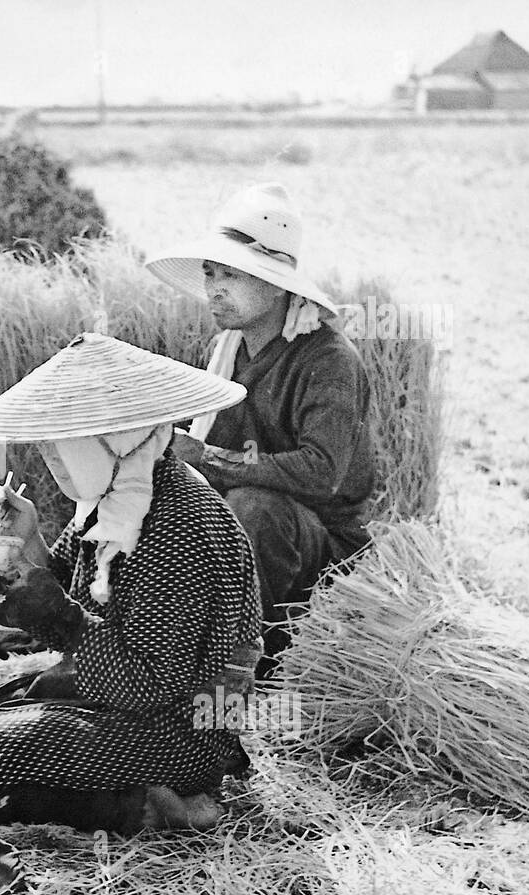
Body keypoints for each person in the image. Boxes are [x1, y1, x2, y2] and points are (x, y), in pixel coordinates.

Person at [0, 333, 262, 833]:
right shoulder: (119, 495)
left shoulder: (180, 527)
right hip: (106, 693)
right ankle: (125, 793)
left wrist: (52, 615)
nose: (52, 461)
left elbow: (149, 686)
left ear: (120, 439)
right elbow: (72, 589)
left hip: (183, 726)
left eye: (63, 447)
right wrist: (29, 540)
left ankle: (160, 802)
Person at [144, 183, 376, 671]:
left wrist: (207, 458)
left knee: (253, 507)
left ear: (274, 285)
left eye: (232, 274)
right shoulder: (227, 352)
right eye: (210, 274)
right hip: (252, 532)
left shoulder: (328, 360)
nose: (214, 289)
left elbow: (321, 474)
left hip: (324, 546)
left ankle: (243, 666)